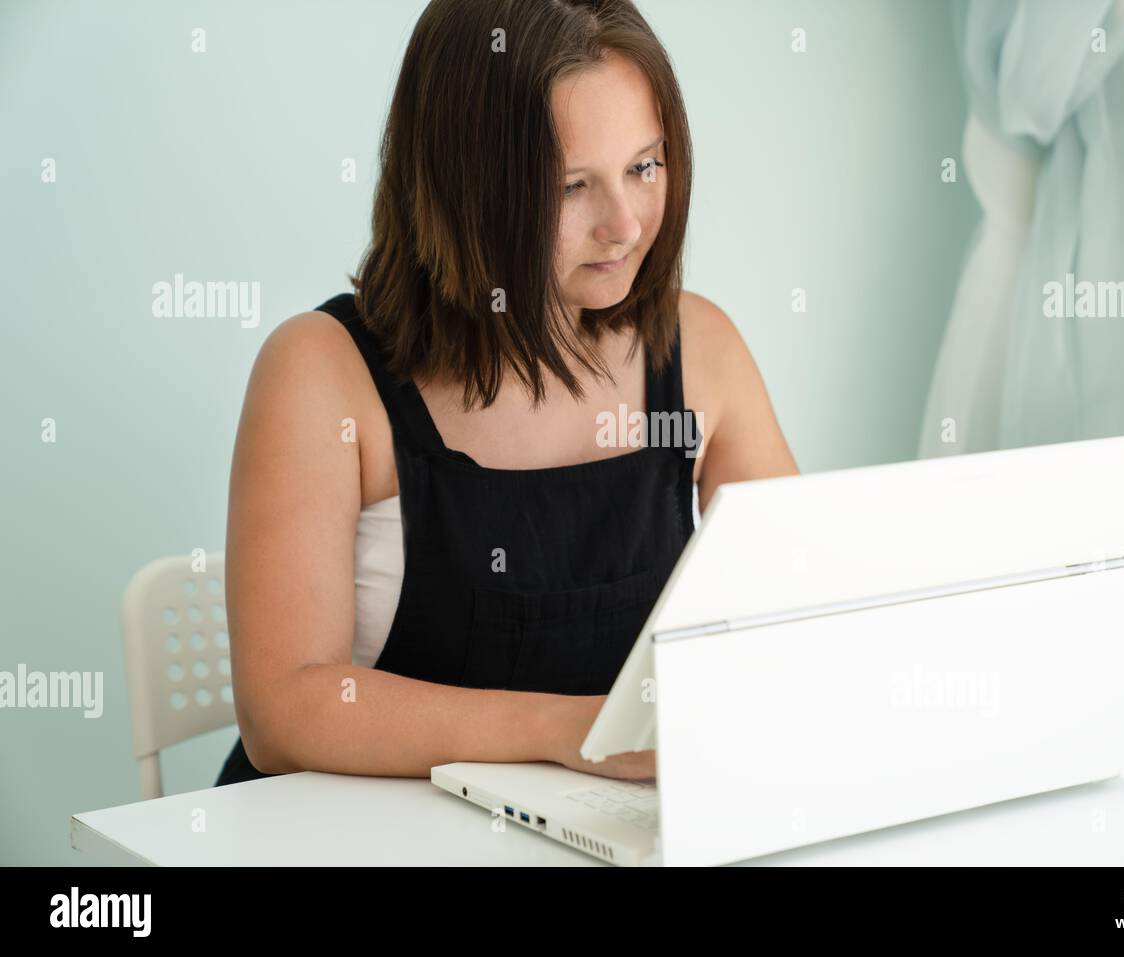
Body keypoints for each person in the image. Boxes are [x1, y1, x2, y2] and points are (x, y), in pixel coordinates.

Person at [215, 0, 797, 787]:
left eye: (644, 167)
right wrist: (567, 730)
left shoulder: (701, 348)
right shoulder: (319, 371)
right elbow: (282, 711)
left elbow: (798, 616)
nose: (623, 224)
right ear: (463, 188)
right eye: (570, 187)